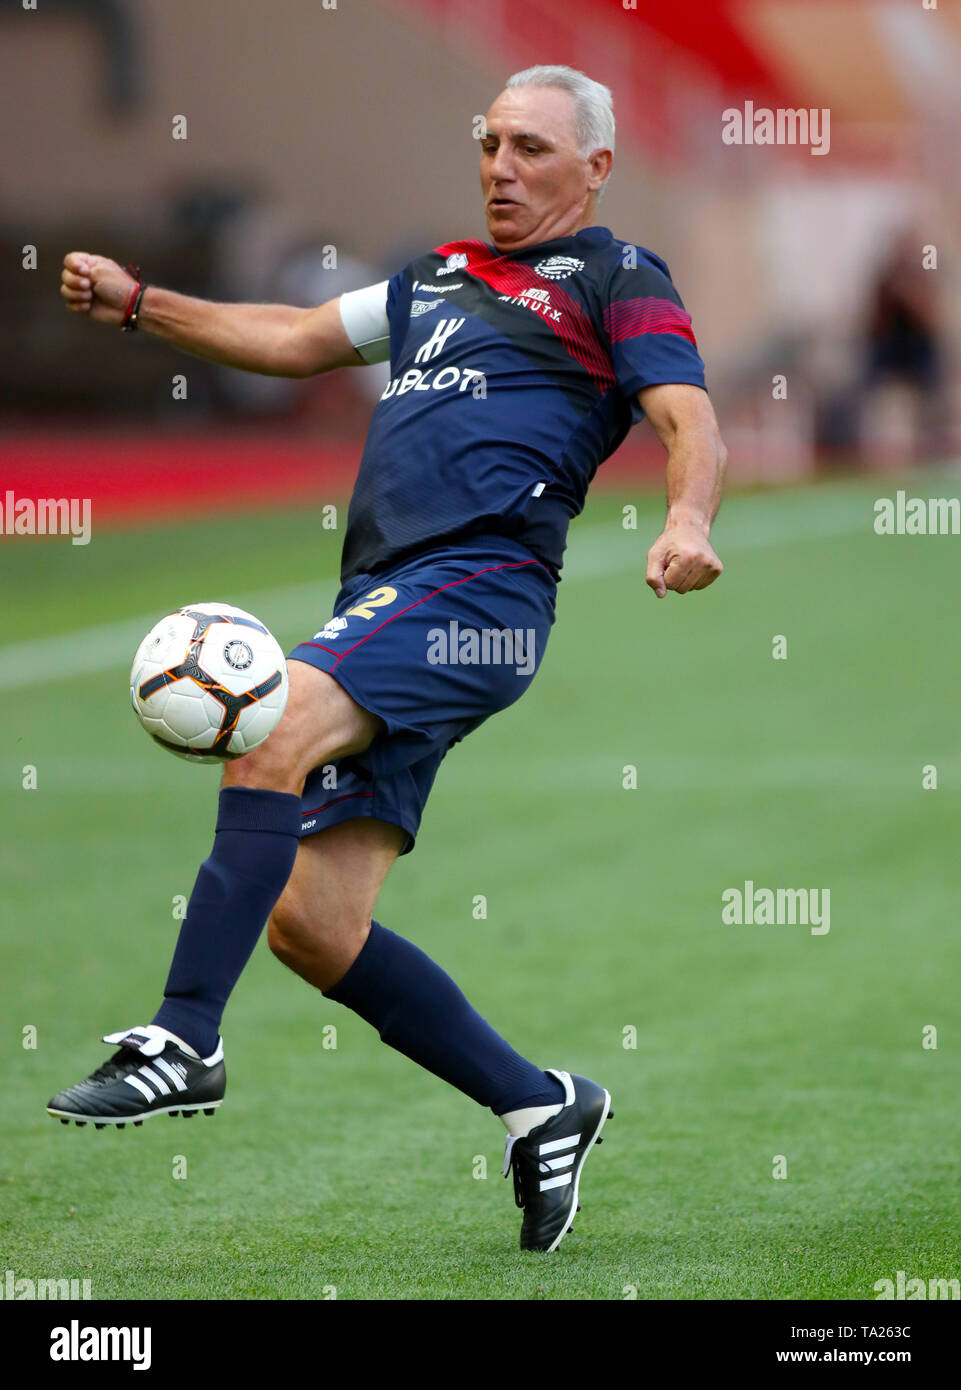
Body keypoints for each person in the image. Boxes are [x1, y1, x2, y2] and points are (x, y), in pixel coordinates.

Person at [50, 65, 727, 1253]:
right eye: (490, 143)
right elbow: (298, 336)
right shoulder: (436, 278)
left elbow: (688, 417)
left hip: (480, 591)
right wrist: (140, 303)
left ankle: (183, 1037)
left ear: (595, 169)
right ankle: (540, 1103)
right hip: (384, 599)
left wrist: (686, 521)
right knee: (313, 925)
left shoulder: (618, 279)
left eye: (530, 148)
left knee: (264, 720)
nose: (501, 167)